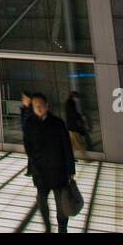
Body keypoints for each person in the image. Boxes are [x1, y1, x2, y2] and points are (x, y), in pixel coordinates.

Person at [23, 91, 76, 233]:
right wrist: (34, 162)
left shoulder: (58, 124)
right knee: (41, 201)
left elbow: (67, 148)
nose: (38, 108)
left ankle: (62, 228)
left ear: (47, 106)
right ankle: (47, 227)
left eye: (40, 105)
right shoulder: (30, 124)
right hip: (41, 172)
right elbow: (28, 146)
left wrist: (70, 170)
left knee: (61, 204)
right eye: (35, 106)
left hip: (59, 172)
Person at [65, 91, 90, 162]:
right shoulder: (71, 103)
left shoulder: (69, 102)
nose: (77, 99)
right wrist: (81, 117)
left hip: (70, 126)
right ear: (74, 97)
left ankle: (70, 158)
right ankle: (86, 159)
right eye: (77, 97)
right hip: (73, 126)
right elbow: (73, 113)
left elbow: (72, 113)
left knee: (73, 145)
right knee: (79, 143)